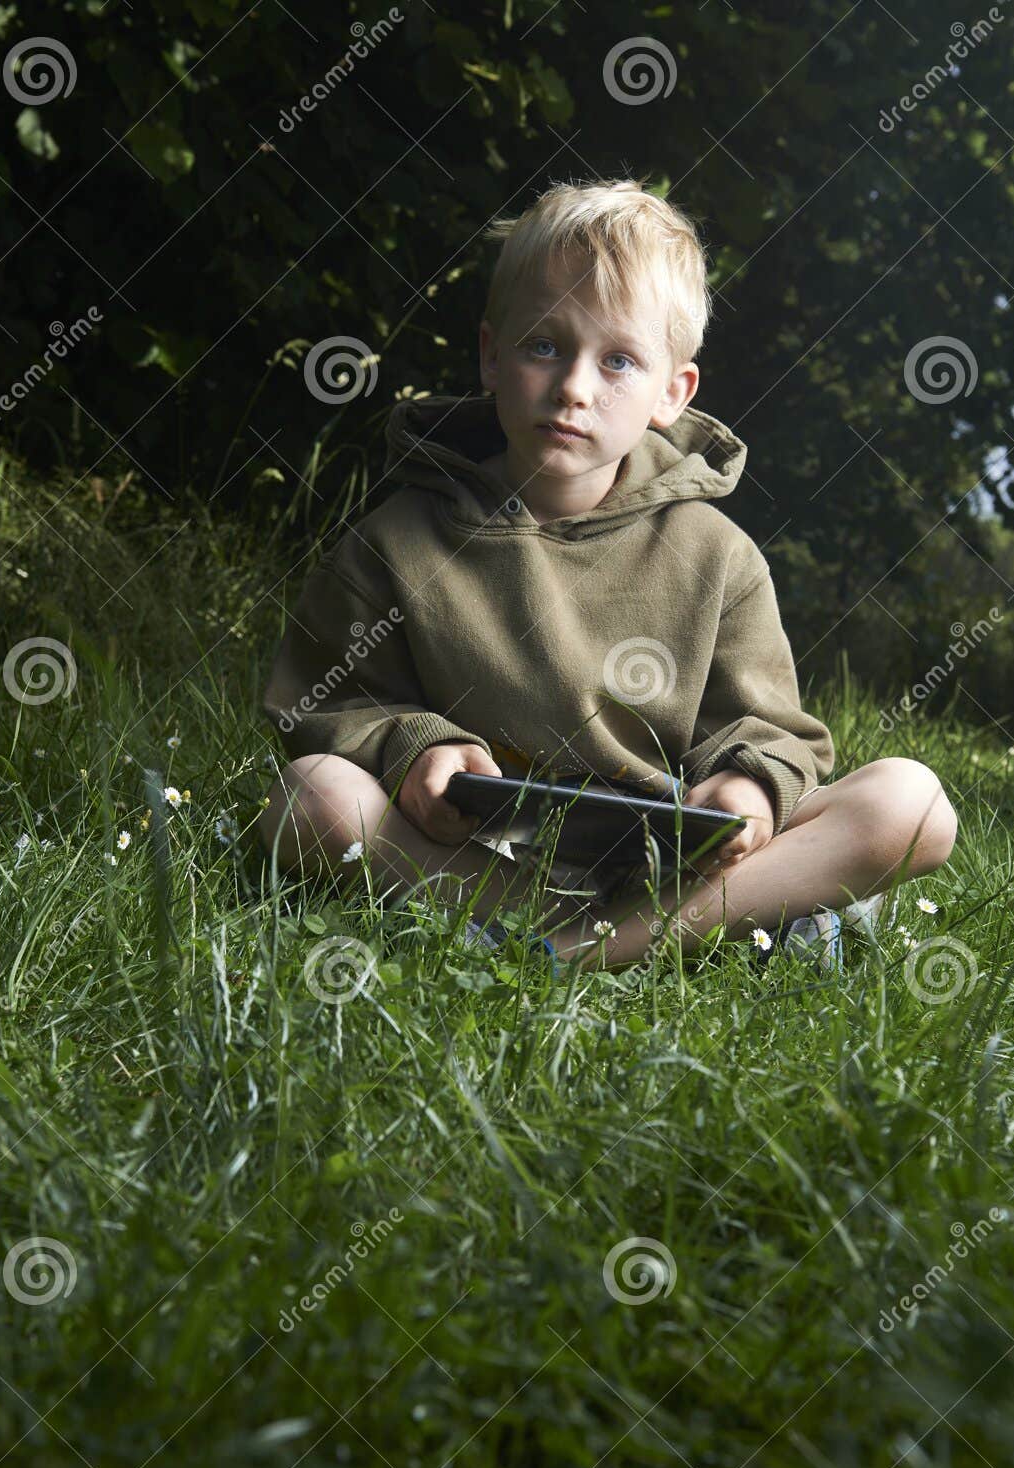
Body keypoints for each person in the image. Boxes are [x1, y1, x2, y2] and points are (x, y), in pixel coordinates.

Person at [258, 177, 957, 974]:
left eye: (618, 360)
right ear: (492, 353)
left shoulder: (718, 558)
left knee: (913, 802)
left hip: (671, 865)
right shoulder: (397, 540)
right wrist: (414, 746)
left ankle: (572, 950)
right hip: (478, 858)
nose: (574, 389)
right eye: (544, 346)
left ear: (672, 391)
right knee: (310, 793)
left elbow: (768, 731)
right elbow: (326, 705)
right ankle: (657, 935)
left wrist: (750, 788)